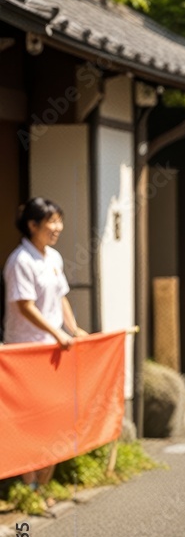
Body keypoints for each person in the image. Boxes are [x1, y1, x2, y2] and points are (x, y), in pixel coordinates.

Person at [3, 197, 87, 500]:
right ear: (32, 225)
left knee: (54, 416)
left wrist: (73, 329)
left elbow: (61, 297)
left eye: (59, 220)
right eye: (51, 222)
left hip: (53, 349)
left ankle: (43, 482)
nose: (57, 228)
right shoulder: (20, 261)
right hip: (27, 351)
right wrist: (57, 333)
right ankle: (29, 486)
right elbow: (25, 307)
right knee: (29, 418)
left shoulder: (52, 257)